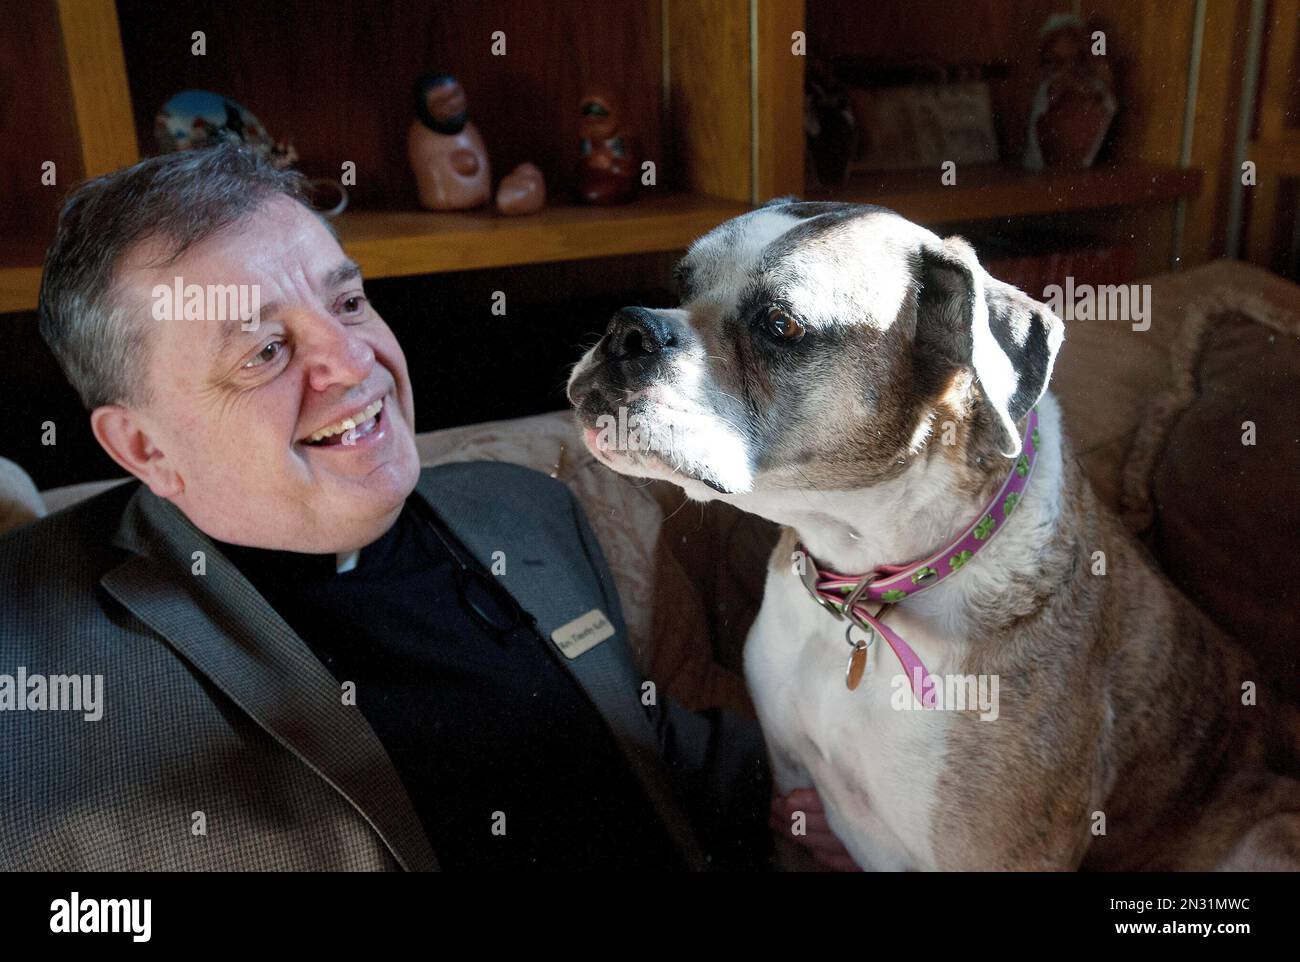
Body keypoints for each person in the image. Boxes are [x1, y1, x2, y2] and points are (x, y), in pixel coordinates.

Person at [0, 145, 850, 871]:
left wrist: (821, 809)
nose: (355, 360)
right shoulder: (27, 646)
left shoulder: (521, 509)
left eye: (346, 302)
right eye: (265, 350)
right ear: (145, 448)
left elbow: (636, 749)